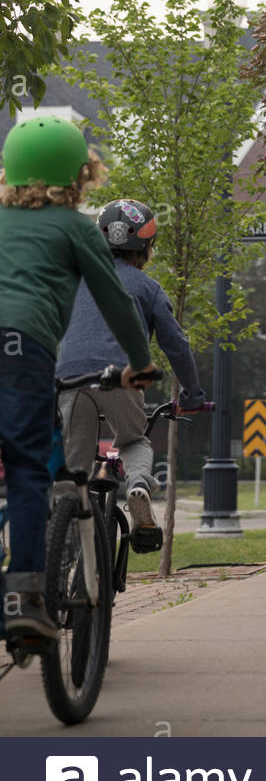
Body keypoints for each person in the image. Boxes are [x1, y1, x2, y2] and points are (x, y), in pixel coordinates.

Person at [0, 117, 155, 641]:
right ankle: (24, 596)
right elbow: (113, 297)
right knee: (28, 468)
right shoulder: (73, 227)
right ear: (79, 176)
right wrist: (140, 360)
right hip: (24, 350)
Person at [57, 199, 205, 548]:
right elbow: (177, 346)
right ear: (146, 247)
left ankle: (60, 540)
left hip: (70, 379)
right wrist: (192, 395)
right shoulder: (147, 288)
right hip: (121, 376)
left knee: (73, 468)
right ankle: (138, 487)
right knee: (133, 441)